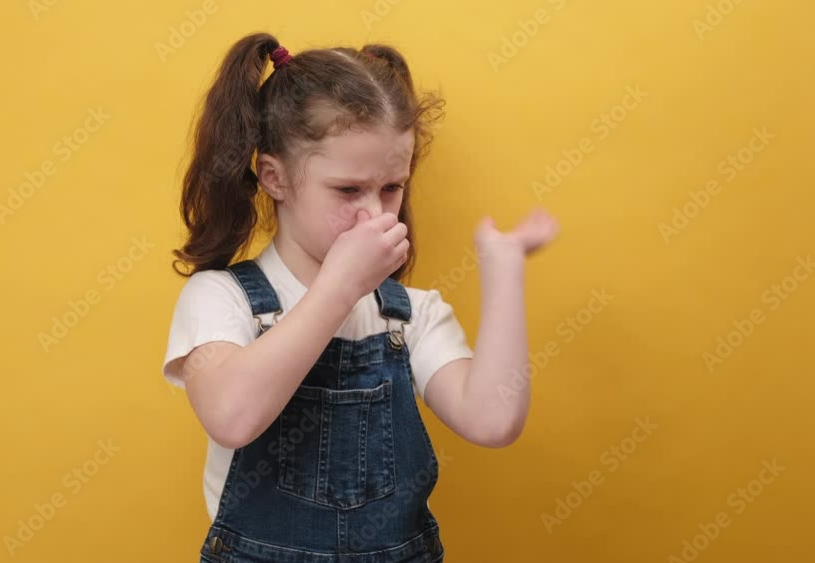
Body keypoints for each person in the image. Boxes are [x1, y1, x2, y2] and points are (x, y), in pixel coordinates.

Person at [163, 32, 559, 562]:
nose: (376, 213)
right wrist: (340, 286)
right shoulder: (220, 297)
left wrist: (505, 269)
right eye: (348, 191)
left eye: (392, 188)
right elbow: (232, 416)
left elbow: (493, 421)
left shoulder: (410, 314)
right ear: (274, 178)